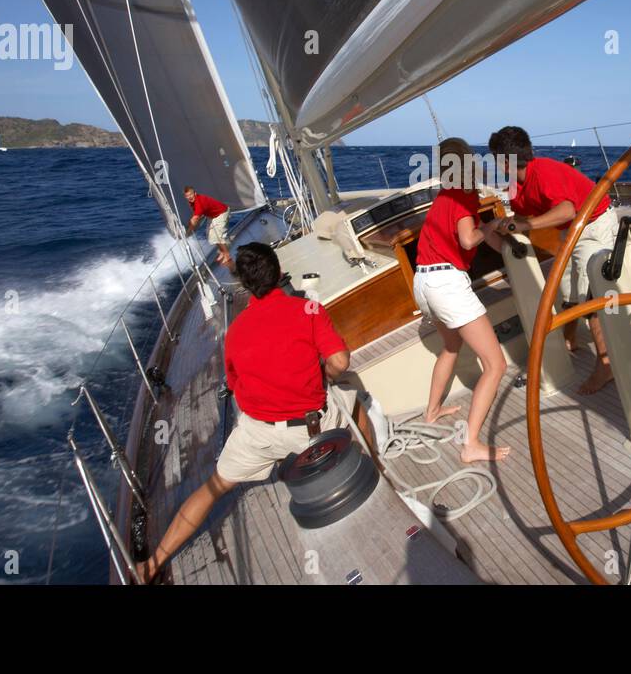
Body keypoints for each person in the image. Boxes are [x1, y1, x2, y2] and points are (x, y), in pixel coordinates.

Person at [137, 242, 377, 582]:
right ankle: (376, 470)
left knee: (214, 486)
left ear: (246, 286)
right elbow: (340, 362)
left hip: (259, 435)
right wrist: (325, 377)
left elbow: (233, 386)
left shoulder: (235, 332)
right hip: (311, 427)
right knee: (356, 401)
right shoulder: (307, 310)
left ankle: (153, 562)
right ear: (279, 273)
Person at [487, 125, 619, 395]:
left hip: (594, 224)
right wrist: (508, 224)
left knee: (590, 296)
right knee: (568, 288)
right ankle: (570, 339)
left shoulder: (544, 172)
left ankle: (605, 364)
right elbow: (524, 217)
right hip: (571, 230)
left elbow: (567, 209)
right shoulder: (516, 185)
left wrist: (525, 226)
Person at [413, 138, 512, 462]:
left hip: (423, 281)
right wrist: (497, 223)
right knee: (495, 364)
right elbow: (470, 237)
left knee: (452, 346)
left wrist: (499, 237)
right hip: (446, 283)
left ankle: (431, 411)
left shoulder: (443, 198)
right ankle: (471, 445)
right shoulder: (465, 195)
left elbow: (477, 233)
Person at [183, 185, 232, 267]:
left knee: (217, 237)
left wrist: (187, 233)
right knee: (211, 237)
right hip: (212, 216)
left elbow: (195, 219)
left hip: (221, 213)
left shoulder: (199, 202)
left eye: (191, 194)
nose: (189, 197)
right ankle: (222, 252)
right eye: (187, 196)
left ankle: (227, 255)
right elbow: (197, 216)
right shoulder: (192, 201)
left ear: (195, 193)